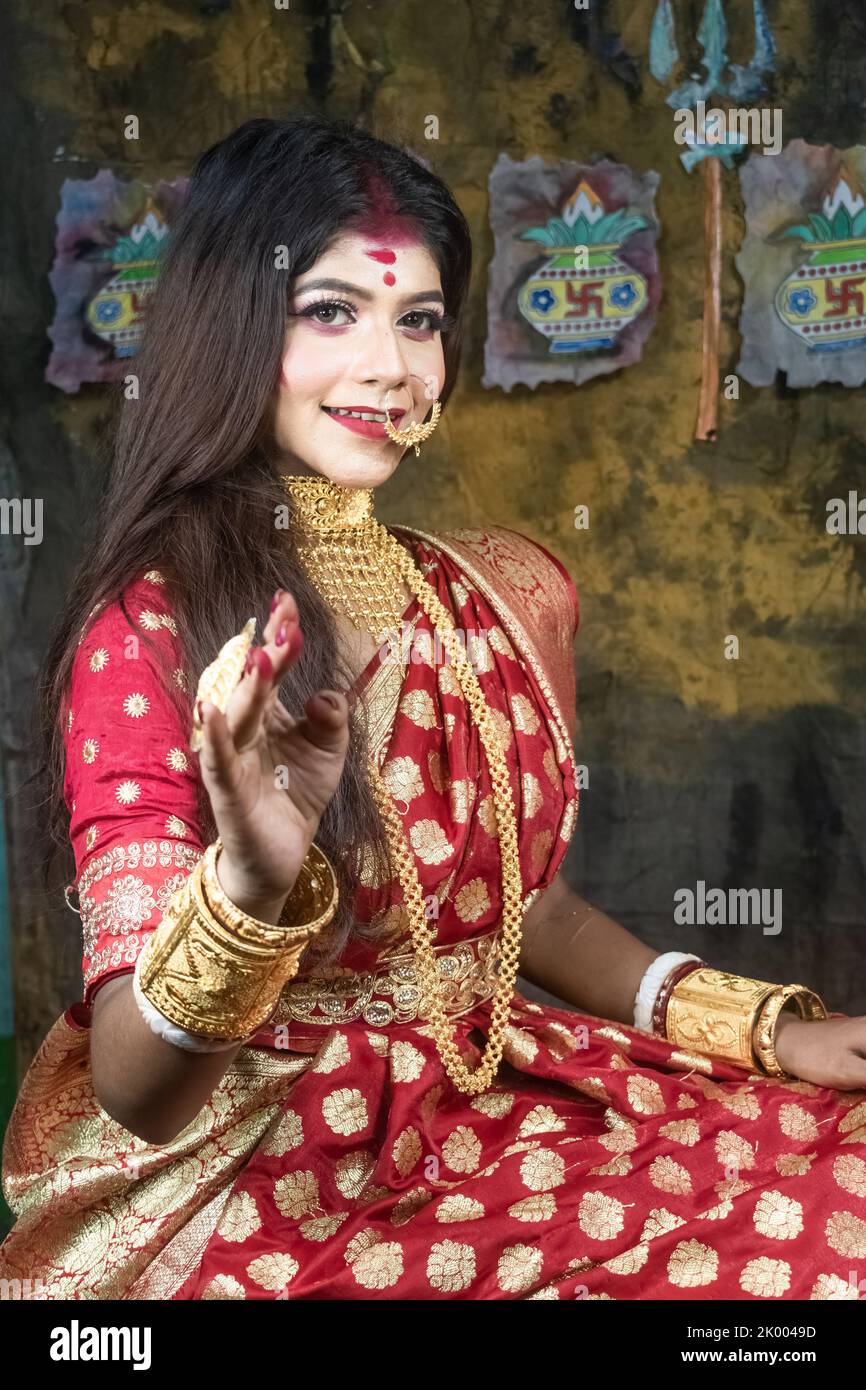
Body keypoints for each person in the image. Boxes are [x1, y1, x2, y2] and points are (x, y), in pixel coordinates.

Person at [1, 114, 865, 1302]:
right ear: (229, 324)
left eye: (417, 321)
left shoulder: (495, 593)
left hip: (491, 1084)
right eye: (330, 312)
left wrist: (762, 1028)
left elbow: (532, 912)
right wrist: (251, 894)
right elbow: (134, 1089)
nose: (390, 369)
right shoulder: (151, 634)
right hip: (271, 1172)